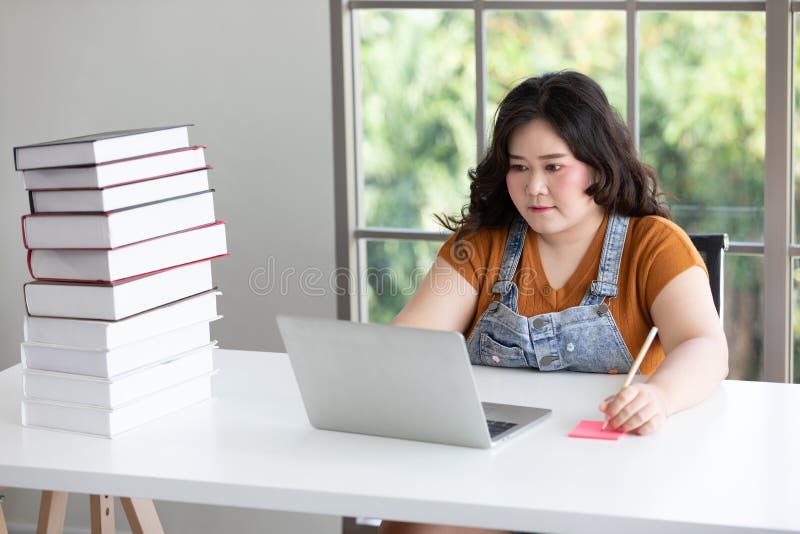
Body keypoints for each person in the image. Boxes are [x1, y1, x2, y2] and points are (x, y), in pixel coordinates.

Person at [379, 71, 729, 534]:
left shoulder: (655, 244)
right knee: (408, 524)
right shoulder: (480, 244)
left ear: (597, 165)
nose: (534, 187)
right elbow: (410, 342)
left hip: (618, 477)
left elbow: (706, 345)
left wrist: (660, 396)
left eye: (553, 167)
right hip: (493, 472)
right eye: (519, 167)